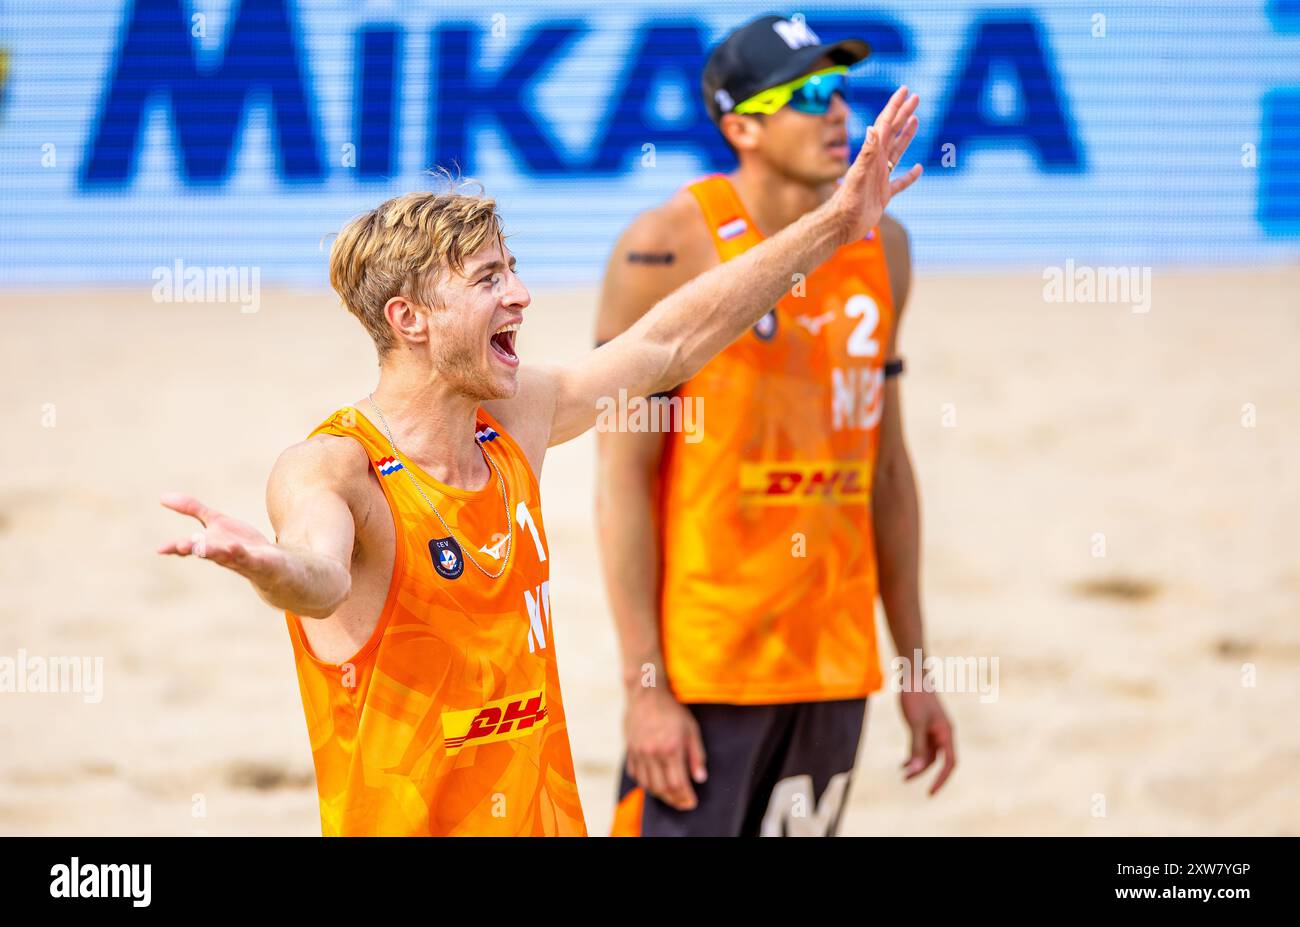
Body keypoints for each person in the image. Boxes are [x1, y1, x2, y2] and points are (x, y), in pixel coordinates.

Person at [156, 84, 922, 836]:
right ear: (409, 319)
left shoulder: (515, 420)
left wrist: (836, 225)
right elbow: (319, 579)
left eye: (512, 268)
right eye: (488, 279)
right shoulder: (333, 466)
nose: (521, 294)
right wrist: (266, 566)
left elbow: (670, 341)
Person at [596, 15, 954, 837]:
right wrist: (645, 687)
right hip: (709, 666)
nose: (838, 113)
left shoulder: (885, 246)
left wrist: (916, 666)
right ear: (741, 126)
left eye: (842, 90)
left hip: (832, 659)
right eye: (809, 93)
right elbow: (622, 479)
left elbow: (887, 470)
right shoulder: (663, 248)